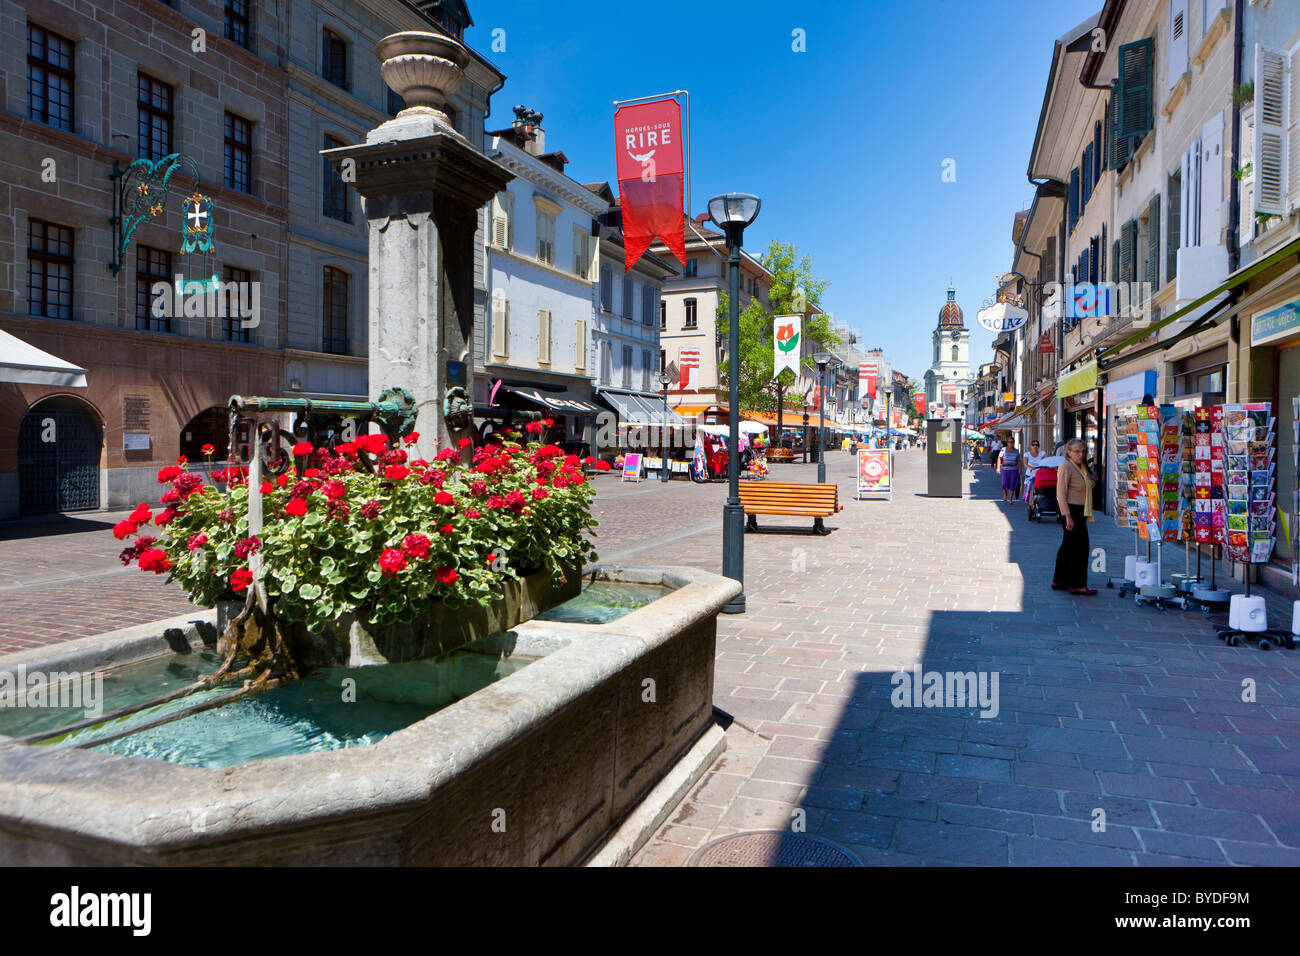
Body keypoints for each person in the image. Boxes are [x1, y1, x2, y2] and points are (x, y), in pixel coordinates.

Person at [1052, 438, 1097, 595]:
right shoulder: (1066, 466)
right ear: (1068, 452)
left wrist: (1093, 481)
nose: (1081, 454)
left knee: (1068, 546)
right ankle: (1078, 584)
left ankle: (1060, 580)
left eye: (1083, 451)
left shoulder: (1082, 466)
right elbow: (1060, 493)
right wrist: (1067, 516)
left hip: (1080, 510)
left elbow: (1084, 487)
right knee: (1080, 547)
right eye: (1077, 451)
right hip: (1071, 511)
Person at [996, 436, 1021, 503]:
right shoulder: (1003, 449)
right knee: (1004, 483)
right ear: (1007, 443)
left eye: (1012, 442)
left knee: (1012, 484)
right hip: (1005, 469)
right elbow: (999, 458)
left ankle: (1010, 498)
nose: (1011, 443)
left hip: (1014, 469)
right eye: (1009, 442)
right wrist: (998, 468)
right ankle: (1005, 494)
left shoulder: (1016, 451)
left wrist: (1020, 469)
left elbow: (1018, 460)